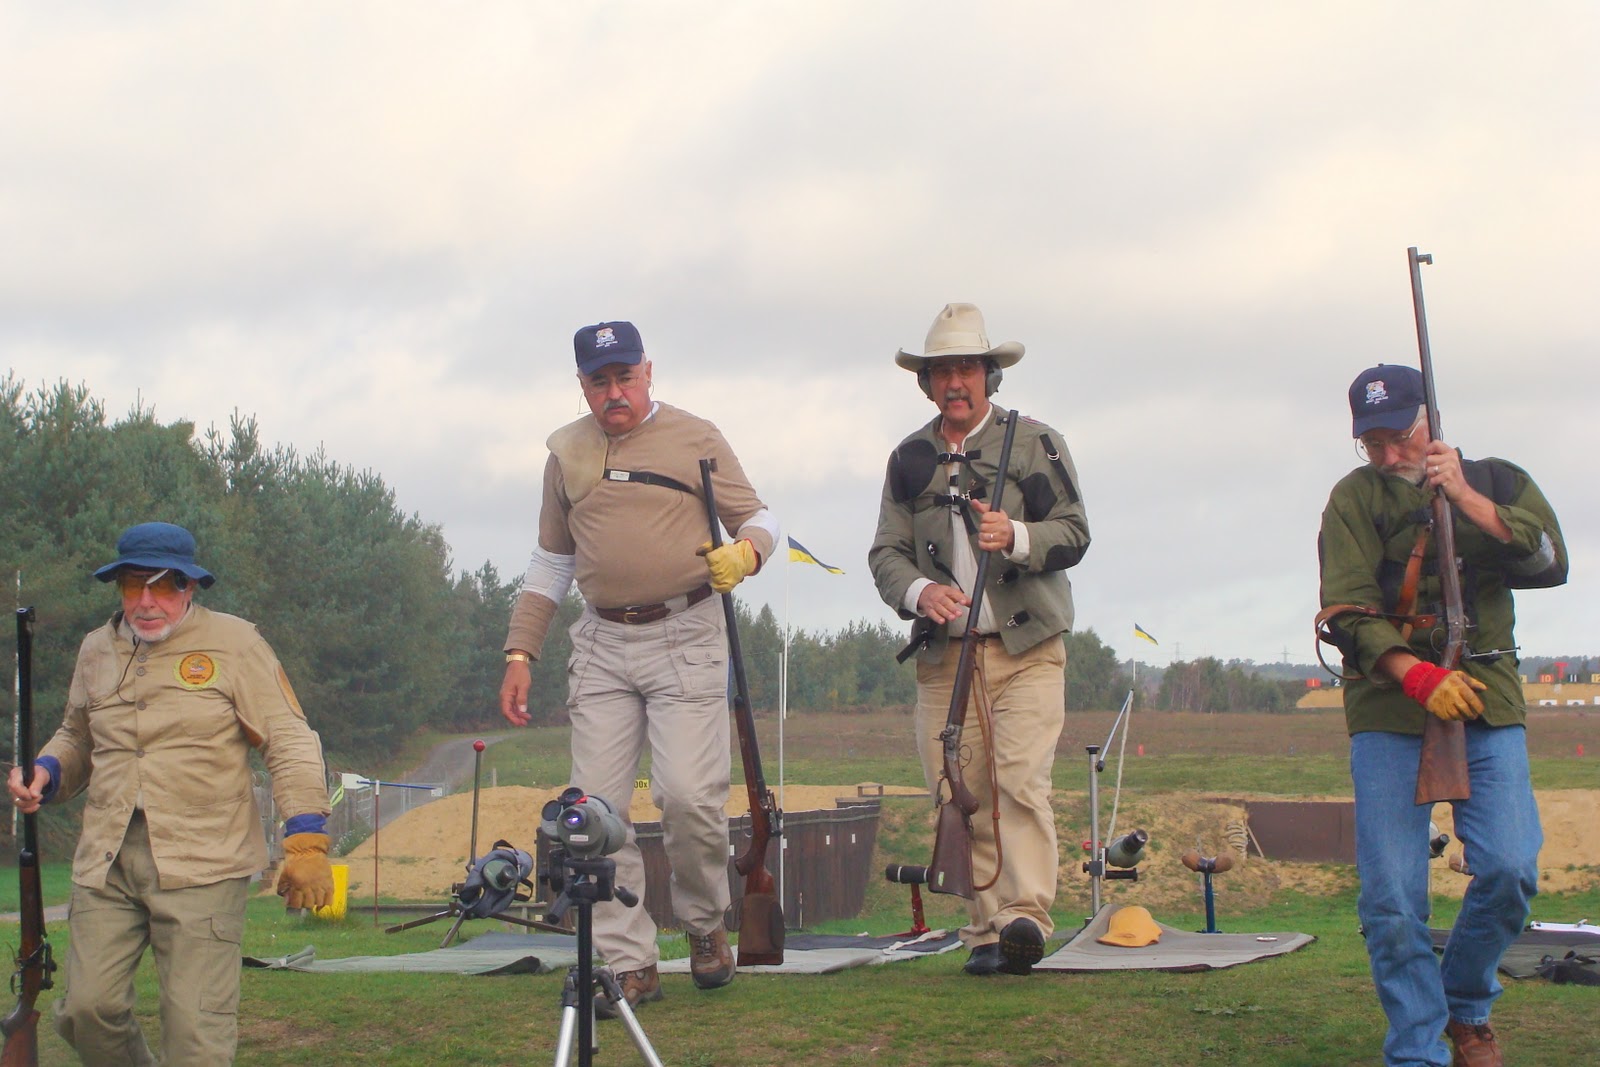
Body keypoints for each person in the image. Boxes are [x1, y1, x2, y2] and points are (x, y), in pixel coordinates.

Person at [499, 320, 778, 1017]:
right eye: (600, 380)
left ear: (648, 372)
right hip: (600, 642)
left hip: (686, 631)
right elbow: (552, 562)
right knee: (593, 814)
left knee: (688, 798)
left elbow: (763, 517)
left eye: (625, 376)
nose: (614, 392)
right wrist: (519, 651)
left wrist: (745, 555)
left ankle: (707, 922)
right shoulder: (565, 453)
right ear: (583, 385)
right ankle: (629, 962)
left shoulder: (697, 437)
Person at [7, 522, 333, 1066]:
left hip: (203, 862)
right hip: (107, 860)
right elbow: (77, 738)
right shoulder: (96, 649)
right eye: (134, 585)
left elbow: (289, 738)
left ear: (190, 587)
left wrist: (306, 840)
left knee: (194, 1039)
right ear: (119, 588)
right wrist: (45, 771)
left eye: (163, 586)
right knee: (85, 1011)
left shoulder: (236, 644)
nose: (147, 601)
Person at [1317, 364, 1566, 1067]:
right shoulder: (1351, 500)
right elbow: (1345, 611)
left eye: (1399, 436)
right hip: (1391, 702)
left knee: (1513, 869)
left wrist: (1466, 498)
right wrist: (1419, 673)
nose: (1388, 454)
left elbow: (1550, 558)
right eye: (1373, 442)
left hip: (1487, 691)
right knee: (1394, 895)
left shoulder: (1496, 478)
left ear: (1427, 421)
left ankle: (1464, 1002)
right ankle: (1417, 1047)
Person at [868, 303, 1090, 977]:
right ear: (927, 382)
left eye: (966, 368)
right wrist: (918, 593)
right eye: (941, 371)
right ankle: (987, 929)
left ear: (990, 375)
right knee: (958, 789)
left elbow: (1074, 532)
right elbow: (886, 554)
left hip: (1026, 650)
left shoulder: (1035, 444)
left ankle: (1026, 916)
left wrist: (1017, 538)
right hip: (946, 657)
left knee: (1020, 780)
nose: (954, 382)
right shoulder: (908, 459)